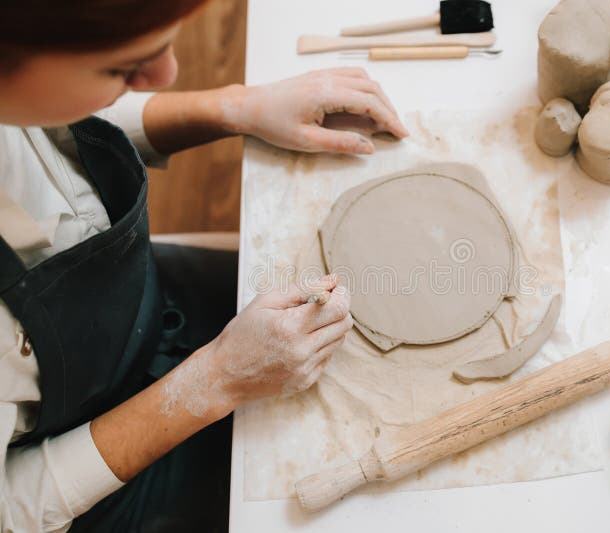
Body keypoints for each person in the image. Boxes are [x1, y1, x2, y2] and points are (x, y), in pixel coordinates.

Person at [0, 1, 408, 531]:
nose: (167, 74)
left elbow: (54, 111)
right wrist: (215, 381)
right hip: (84, 484)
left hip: (137, 302)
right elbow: (13, 505)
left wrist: (237, 107)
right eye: (121, 68)